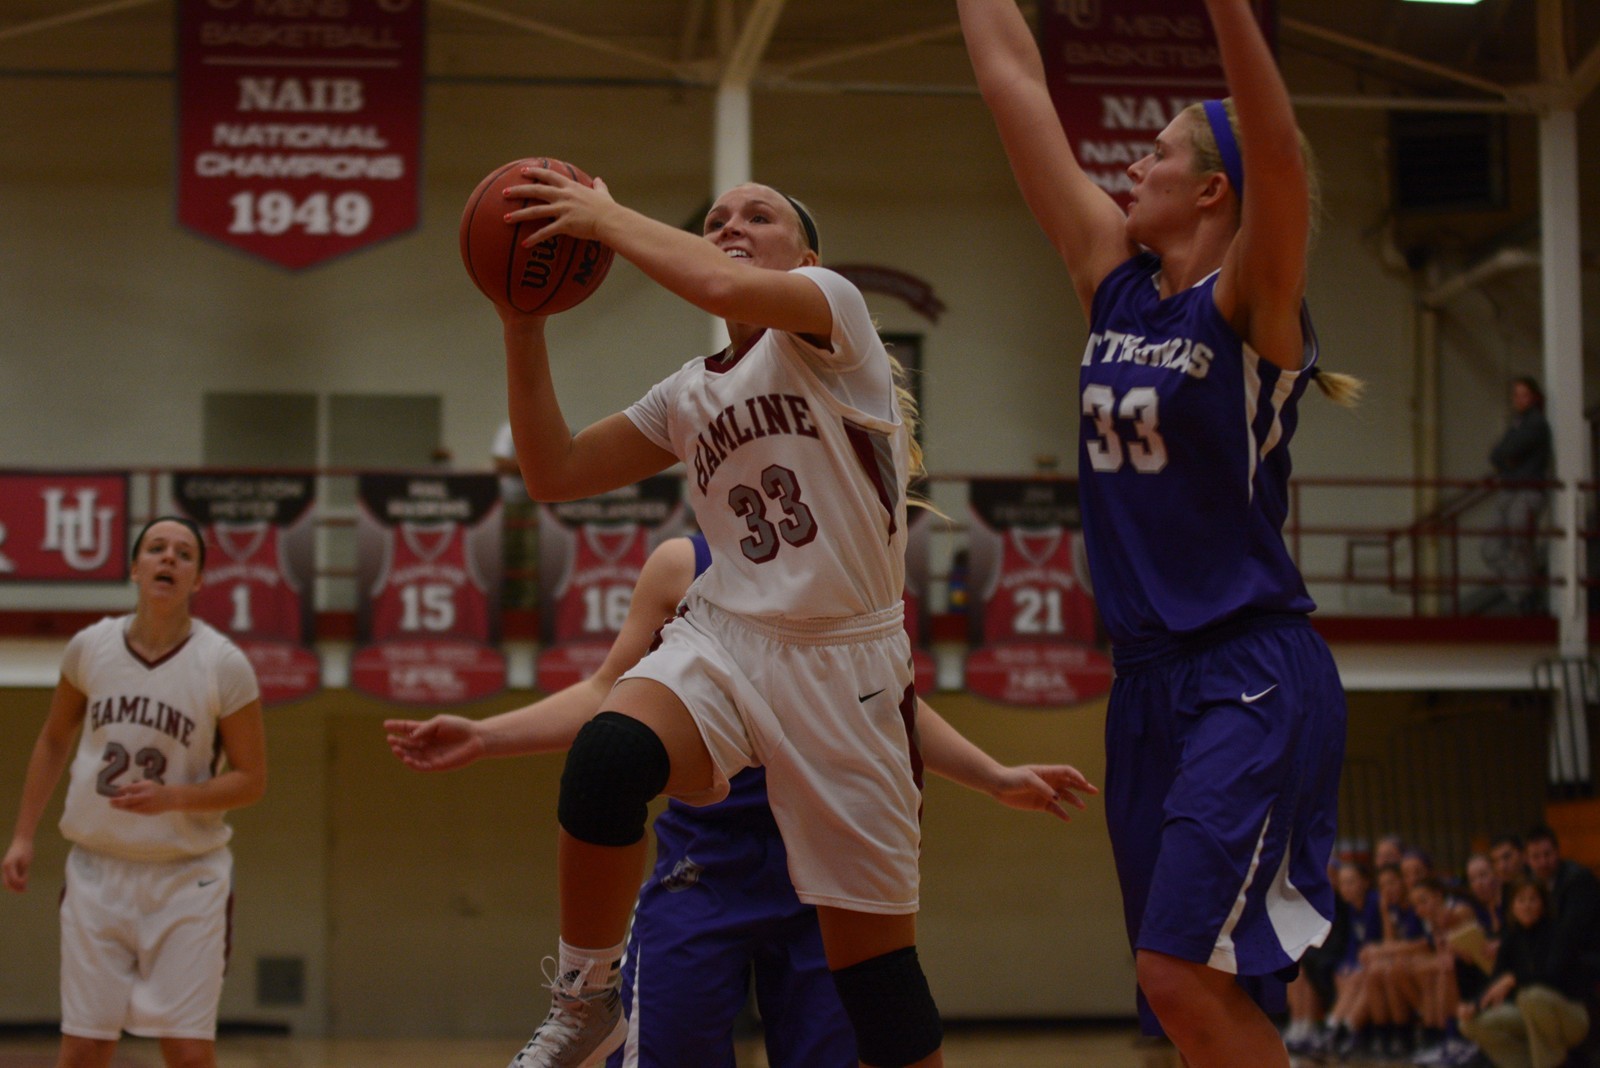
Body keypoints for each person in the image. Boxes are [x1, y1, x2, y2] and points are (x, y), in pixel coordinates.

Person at [492, 171, 969, 1068]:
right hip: (731, 639)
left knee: (879, 988)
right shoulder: (687, 393)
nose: (730, 227)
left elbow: (717, 283)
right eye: (715, 220)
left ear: (808, 257)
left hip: (850, 665)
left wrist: (605, 218)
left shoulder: (833, 315)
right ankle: (588, 996)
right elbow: (553, 470)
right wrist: (524, 325)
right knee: (607, 757)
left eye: (759, 215)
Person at [958, 1, 1357, 1064]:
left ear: (1213, 189)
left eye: (1159, 153)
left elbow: (1278, 152)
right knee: (1180, 998)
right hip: (1143, 684)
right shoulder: (1114, 283)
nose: (1131, 166)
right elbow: (1013, 81)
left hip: (1247, 667)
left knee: (1178, 971)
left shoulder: (1252, 301)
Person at [386, 532, 1095, 1066]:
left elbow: (889, 702)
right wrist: (486, 734)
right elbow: (610, 691)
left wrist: (994, 776)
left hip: (825, 871)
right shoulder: (682, 563)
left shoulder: (851, 562)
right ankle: (585, 1003)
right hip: (705, 865)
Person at [2, 517, 268, 1068]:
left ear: (198, 580)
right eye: (156, 549)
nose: (168, 558)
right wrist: (23, 836)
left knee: (188, 1053)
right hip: (98, 872)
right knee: (83, 1051)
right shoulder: (90, 647)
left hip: (187, 876)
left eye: (184, 554)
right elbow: (54, 740)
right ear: (134, 568)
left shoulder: (223, 664)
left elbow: (252, 779)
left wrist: (174, 798)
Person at [1458, 877, 1591, 1068]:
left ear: (1543, 904)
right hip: (1529, 1014)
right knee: (1469, 1023)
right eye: (1521, 900)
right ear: (1512, 906)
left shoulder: (1559, 932)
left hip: (1570, 1016)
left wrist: (1514, 979)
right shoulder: (1510, 937)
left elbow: (1553, 978)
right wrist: (1475, 1005)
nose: (1527, 906)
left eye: (1532, 899)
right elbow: (1496, 981)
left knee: (1530, 996)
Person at [1483, 377, 1552, 614]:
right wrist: (1508, 460)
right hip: (1511, 489)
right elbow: (1497, 454)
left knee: (1519, 543)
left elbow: (1507, 450)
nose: (1520, 400)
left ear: (1533, 397)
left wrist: (1507, 459)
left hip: (1527, 490)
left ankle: (1526, 597)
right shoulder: (1518, 423)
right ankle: (1524, 594)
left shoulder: (1536, 423)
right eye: (1516, 395)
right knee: (1491, 548)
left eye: (1524, 395)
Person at [493, 419, 540, 611]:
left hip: (539, 503)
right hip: (511, 502)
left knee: (533, 556)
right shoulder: (508, 429)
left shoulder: (546, 428)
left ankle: (529, 604)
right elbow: (501, 463)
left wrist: (533, 468)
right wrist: (535, 467)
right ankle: (510, 605)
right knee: (510, 553)